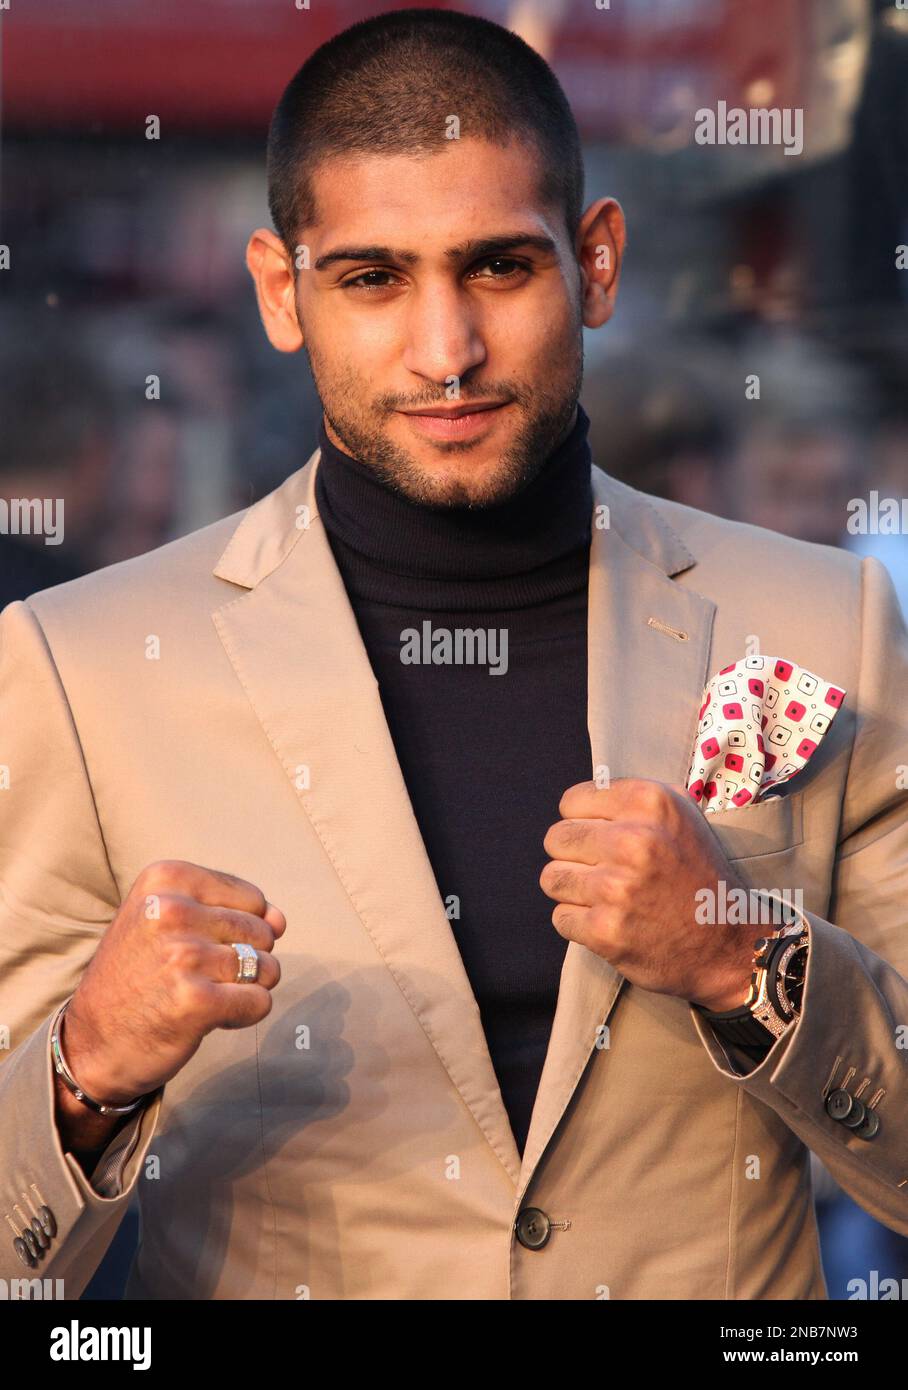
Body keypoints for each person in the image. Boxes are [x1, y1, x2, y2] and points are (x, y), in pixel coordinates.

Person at [1, 8, 906, 1301]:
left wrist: (739, 960)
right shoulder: (81, 668)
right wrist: (89, 1067)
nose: (447, 351)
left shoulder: (828, 623)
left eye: (498, 268)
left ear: (595, 262)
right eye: (373, 278)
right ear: (281, 289)